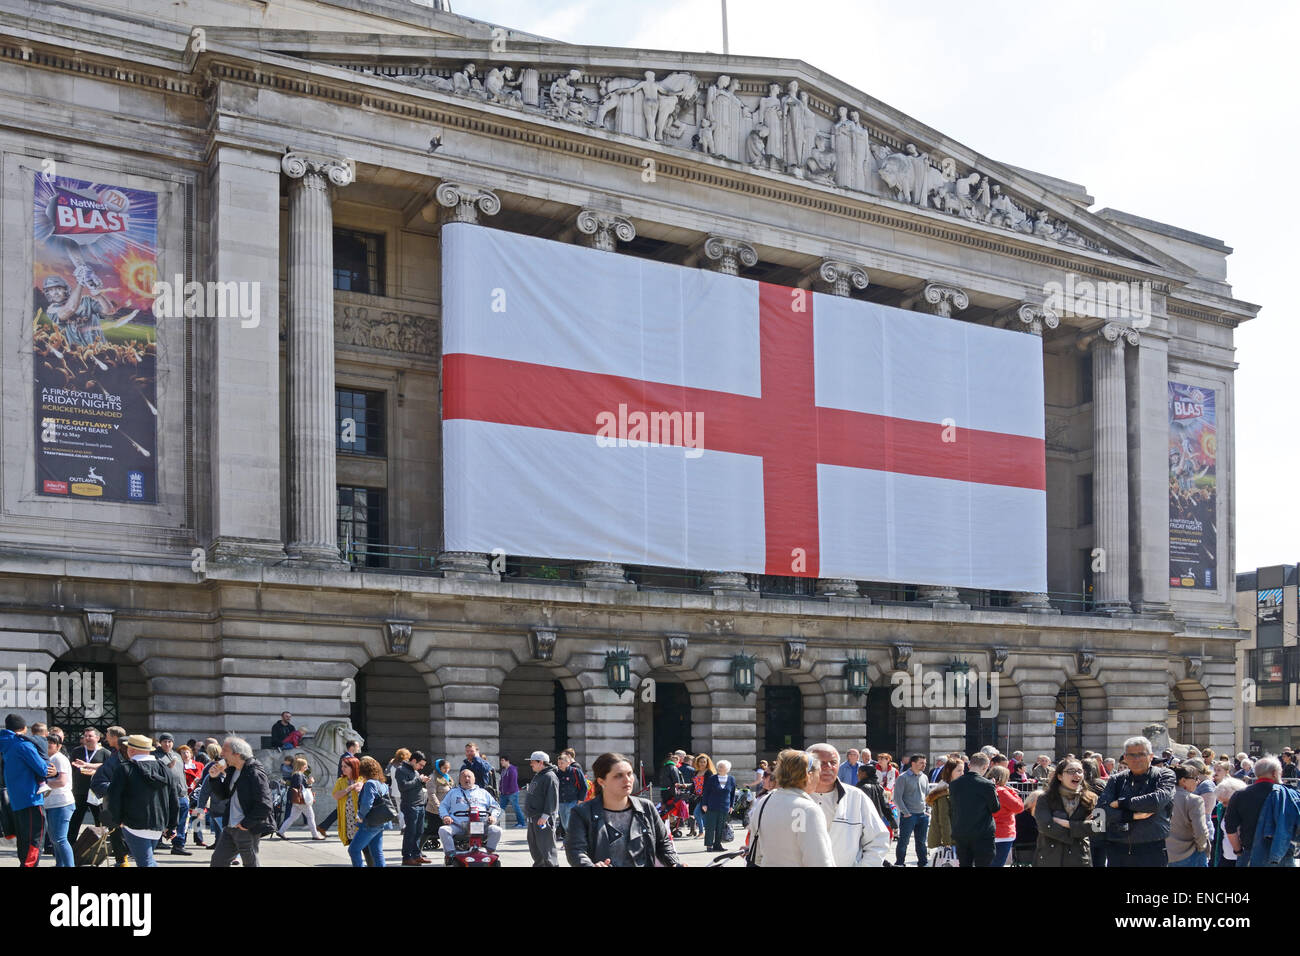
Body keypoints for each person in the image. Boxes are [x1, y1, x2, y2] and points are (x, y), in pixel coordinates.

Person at [566, 752, 682, 867]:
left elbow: (663, 843)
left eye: (629, 774)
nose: (627, 780)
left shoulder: (646, 807)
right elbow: (576, 851)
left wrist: (674, 863)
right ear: (601, 781)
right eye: (618, 776)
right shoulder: (582, 812)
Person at [745, 749, 835, 867]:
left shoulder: (764, 802)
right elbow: (820, 862)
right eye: (818, 772)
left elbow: (756, 855)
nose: (819, 777)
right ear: (809, 775)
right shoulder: (808, 810)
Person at [805, 743, 890, 867]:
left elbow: (878, 839)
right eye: (821, 763)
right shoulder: (791, 799)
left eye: (833, 762)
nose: (828, 767)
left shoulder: (856, 797)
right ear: (807, 766)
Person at [1097, 735, 1175, 867]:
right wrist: (1132, 815)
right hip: (1118, 849)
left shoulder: (1164, 775)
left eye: (1141, 754)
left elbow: (1156, 802)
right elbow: (1101, 811)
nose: (1136, 759)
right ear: (1125, 758)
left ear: (1151, 756)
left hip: (1152, 850)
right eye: (1131, 755)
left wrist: (1122, 803)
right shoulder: (1116, 780)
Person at [106, 734, 181, 867]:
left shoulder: (125, 768)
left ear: (132, 750)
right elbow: (174, 799)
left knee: (145, 862)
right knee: (147, 860)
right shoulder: (166, 770)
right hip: (158, 824)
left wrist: (117, 820)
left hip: (133, 823)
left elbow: (114, 798)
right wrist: (172, 825)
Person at [206, 736, 275, 867]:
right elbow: (223, 795)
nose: (221, 754)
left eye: (225, 750)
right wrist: (214, 778)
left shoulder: (254, 772)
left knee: (250, 863)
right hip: (230, 826)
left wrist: (245, 824)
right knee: (218, 861)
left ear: (236, 754)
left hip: (245, 827)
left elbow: (265, 804)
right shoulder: (233, 770)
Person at [1225, 755, 1300, 866]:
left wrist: (1238, 850)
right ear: (1275, 773)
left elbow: (1230, 828)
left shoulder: (1240, 795)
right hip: (1283, 856)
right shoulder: (1291, 795)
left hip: (1250, 854)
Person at [1, 713, 54, 867]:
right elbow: (43, 769)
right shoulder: (23, 745)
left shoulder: (6, 743)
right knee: (35, 840)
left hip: (16, 800)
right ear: (24, 728)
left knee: (24, 840)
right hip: (31, 799)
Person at [1033, 758, 1096, 867]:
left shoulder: (1093, 798)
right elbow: (1045, 826)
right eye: (1071, 771)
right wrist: (1081, 828)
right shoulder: (1044, 798)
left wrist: (1068, 824)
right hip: (1050, 858)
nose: (1076, 775)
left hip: (1079, 858)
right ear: (1060, 776)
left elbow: (1100, 826)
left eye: (1079, 771)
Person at [948, 751, 1000, 867]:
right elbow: (995, 808)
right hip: (982, 833)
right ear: (985, 767)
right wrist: (995, 792)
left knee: (964, 864)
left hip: (961, 832)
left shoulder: (954, 784)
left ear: (969, 765)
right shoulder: (987, 785)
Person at [350, 756, 395, 867]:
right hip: (380, 822)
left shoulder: (370, 783)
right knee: (377, 852)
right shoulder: (382, 784)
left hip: (369, 823)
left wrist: (360, 815)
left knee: (353, 850)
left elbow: (367, 804)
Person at [152, 733, 192, 855]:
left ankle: (178, 845)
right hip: (165, 795)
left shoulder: (177, 756)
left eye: (170, 741)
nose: (167, 744)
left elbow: (181, 774)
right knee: (162, 820)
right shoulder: (155, 756)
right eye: (165, 741)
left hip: (181, 794)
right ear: (160, 742)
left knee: (182, 822)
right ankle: (154, 843)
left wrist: (185, 790)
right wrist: (167, 768)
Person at [67, 727, 107, 847]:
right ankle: (71, 844)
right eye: (85, 736)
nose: (87, 738)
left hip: (96, 792)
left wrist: (91, 768)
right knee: (75, 818)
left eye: (90, 736)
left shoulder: (105, 752)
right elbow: (71, 767)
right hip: (80, 790)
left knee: (99, 819)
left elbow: (108, 768)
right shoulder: (77, 751)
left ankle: (101, 844)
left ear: (97, 738)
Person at [314, 737, 362, 837]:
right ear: (352, 747)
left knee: (343, 808)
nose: (359, 748)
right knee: (345, 807)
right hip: (346, 785)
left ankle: (324, 826)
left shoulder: (347, 756)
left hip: (347, 785)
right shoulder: (346, 757)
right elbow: (343, 773)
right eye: (357, 746)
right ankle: (325, 826)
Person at [43, 730, 76, 867]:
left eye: (52, 742)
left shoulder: (58, 758)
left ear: (59, 746)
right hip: (53, 803)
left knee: (60, 839)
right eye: (47, 742)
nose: (49, 745)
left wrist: (43, 785)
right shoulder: (49, 758)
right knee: (55, 839)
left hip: (62, 803)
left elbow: (62, 781)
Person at [1167, 764, 1211, 867]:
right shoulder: (1194, 800)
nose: (1198, 782)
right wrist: (1202, 847)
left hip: (1164, 854)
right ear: (1183, 780)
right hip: (1189, 854)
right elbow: (1200, 830)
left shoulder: (1161, 796)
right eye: (1195, 779)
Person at [331, 754, 370, 864]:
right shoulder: (341, 781)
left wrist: (360, 789)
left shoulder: (363, 780)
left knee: (366, 849)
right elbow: (336, 795)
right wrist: (350, 788)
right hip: (348, 820)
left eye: (345, 767)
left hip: (361, 819)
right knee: (354, 847)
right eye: (342, 766)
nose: (342, 769)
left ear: (353, 767)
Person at [277, 755, 325, 842]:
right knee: (310, 817)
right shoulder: (299, 775)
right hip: (302, 801)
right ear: (301, 766)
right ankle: (315, 835)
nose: (306, 767)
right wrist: (310, 783)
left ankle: (281, 831)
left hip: (296, 800)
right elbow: (300, 787)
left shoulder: (296, 774)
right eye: (305, 766)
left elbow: (295, 785)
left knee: (292, 817)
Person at [893, 753, 930, 866]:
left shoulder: (924, 777)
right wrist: (906, 812)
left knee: (921, 842)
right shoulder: (903, 777)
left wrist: (928, 810)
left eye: (925, 763)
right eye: (921, 763)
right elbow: (897, 798)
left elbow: (928, 796)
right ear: (913, 763)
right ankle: (899, 863)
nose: (924, 765)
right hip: (909, 815)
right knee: (904, 842)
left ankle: (923, 862)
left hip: (923, 815)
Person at [525, 750, 560, 866]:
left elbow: (552, 799)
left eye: (532, 762)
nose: (530, 764)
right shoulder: (539, 776)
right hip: (533, 818)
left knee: (547, 849)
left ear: (541, 762)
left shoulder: (550, 777)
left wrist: (545, 816)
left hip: (542, 819)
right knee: (536, 849)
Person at [394, 750, 430, 864]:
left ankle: (416, 855)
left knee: (419, 831)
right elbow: (403, 786)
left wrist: (422, 781)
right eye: (420, 765)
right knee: (410, 832)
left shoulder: (414, 771)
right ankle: (407, 857)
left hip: (419, 804)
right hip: (410, 805)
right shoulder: (401, 770)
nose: (421, 768)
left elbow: (415, 785)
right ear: (414, 760)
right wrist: (419, 780)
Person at [926, 757, 961, 863]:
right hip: (949, 838)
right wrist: (947, 841)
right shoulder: (944, 791)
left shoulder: (954, 787)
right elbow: (944, 818)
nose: (962, 773)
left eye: (963, 770)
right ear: (949, 772)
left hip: (957, 835)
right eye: (959, 771)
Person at [989, 765, 1025, 867]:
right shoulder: (1002, 791)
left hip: (985, 831)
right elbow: (1019, 807)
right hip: (1002, 832)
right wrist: (1013, 792)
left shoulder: (985, 788)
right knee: (997, 864)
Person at [700, 758, 737, 851]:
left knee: (720, 827)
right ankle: (709, 845)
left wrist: (731, 806)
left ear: (727, 769)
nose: (719, 768)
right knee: (710, 826)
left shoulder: (731, 779)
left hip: (725, 807)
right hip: (712, 806)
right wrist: (704, 804)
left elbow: (732, 794)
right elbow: (706, 792)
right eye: (719, 767)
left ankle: (717, 845)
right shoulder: (712, 778)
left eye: (722, 767)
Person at [1210, 777, 1245, 867]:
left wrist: (1238, 850)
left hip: (1240, 857)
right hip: (1226, 855)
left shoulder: (1244, 811)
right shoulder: (1223, 809)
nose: (1223, 805)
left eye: (1225, 802)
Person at [423, 757, 455, 848]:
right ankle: (418, 849)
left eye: (448, 768)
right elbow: (432, 794)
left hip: (447, 809)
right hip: (434, 810)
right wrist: (439, 807)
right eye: (444, 768)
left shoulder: (447, 777)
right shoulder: (432, 778)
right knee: (430, 831)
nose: (447, 770)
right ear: (439, 768)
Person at [555, 750, 587, 837]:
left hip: (573, 801)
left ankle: (570, 840)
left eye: (562, 763)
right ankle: (570, 839)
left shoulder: (576, 771)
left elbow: (584, 786)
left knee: (570, 822)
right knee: (564, 823)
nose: (559, 765)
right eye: (558, 763)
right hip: (561, 802)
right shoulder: (557, 773)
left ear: (568, 762)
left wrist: (581, 800)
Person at [857, 764, 896, 833]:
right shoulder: (881, 788)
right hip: (877, 822)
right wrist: (892, 821)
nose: (857, 775)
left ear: (865, 774)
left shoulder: (862, 788)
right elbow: (886, 806)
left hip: (863, 823)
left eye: (859, 772)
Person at [498, 756, 525, 828]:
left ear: (507, 761)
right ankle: (498, 823)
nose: (501, 762)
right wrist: (500, 789)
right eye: (501, 761)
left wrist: (508, 791)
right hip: (504, 793)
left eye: (503, 760)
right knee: (500, 808)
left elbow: (513, 782)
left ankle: (521, 823)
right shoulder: (503, 770)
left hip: (512, 793)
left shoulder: (512, 769)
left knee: (516, 808)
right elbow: (501, 781)